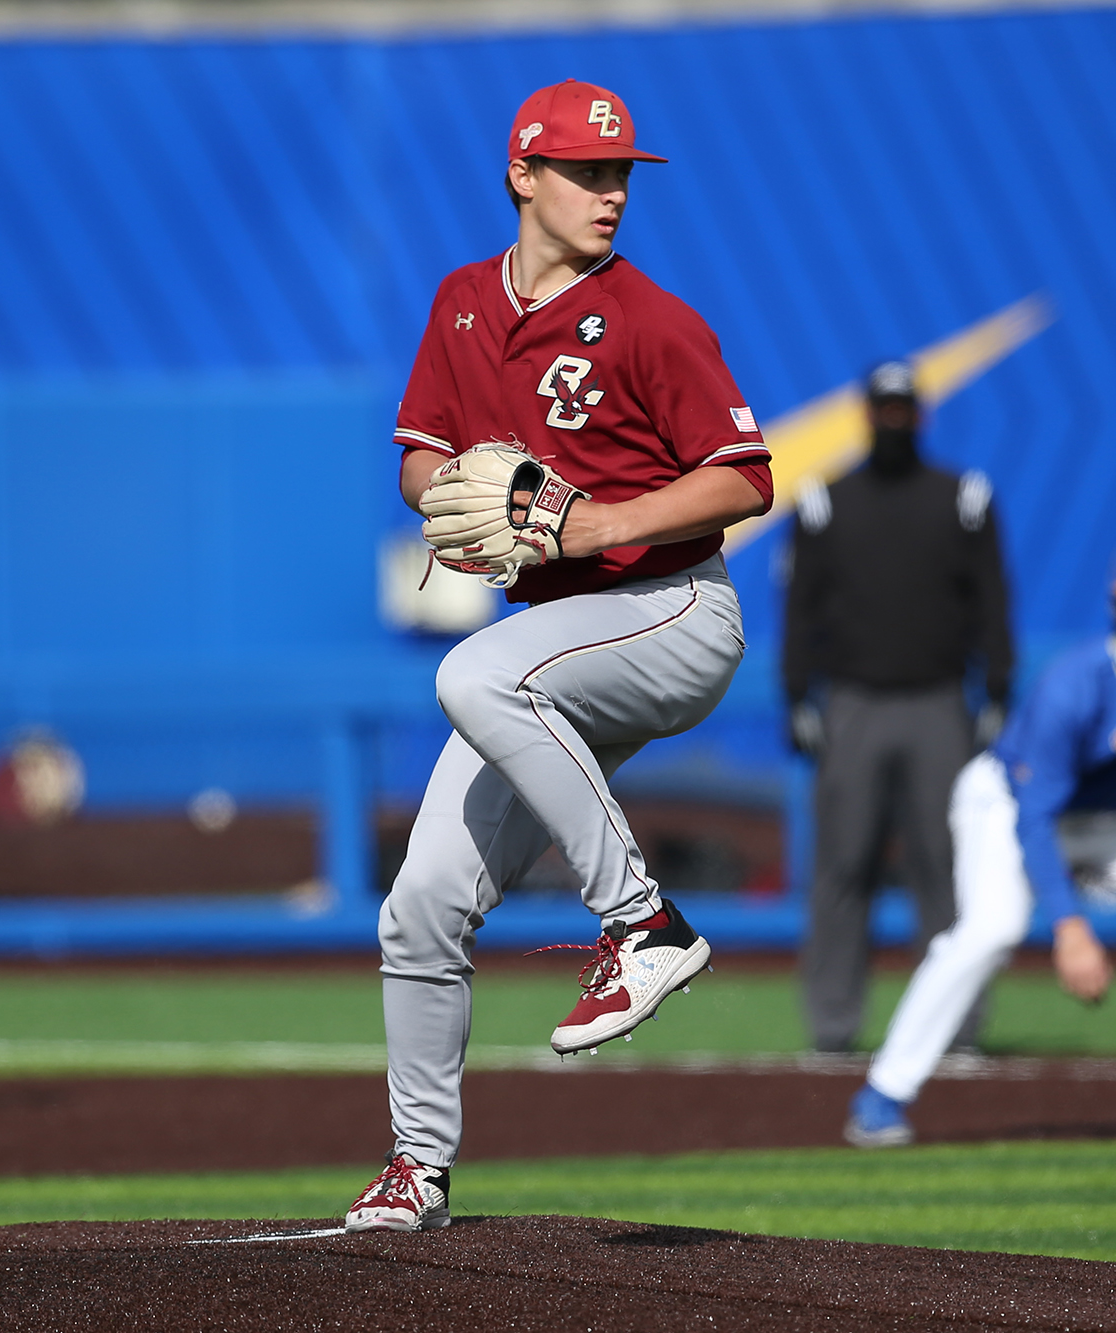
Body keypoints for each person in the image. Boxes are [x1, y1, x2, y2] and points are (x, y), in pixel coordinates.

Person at [343, 78, 773, 1233]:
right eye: (588, 170)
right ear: (521, 176)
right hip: (554, 641)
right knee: (419, 906)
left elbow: (745, 477)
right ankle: (416, 1171)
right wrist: (466, 499)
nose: (611, 191)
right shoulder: (459, 305)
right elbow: (421, 465)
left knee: (473, 673)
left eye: (622, 172)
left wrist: (595, 520)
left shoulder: (650, 319)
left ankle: (642, 924)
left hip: (671, 611)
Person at [844, 534, 1116, 1146]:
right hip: (1009, 804)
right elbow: (1035, 819)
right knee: (991, 930)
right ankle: (884, 1092)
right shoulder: (1074, 685)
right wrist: (1070, 926)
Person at [782, 360, 1014, 1053]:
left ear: (921, 414)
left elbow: (993, 600)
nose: (893, 420)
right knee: (842, 867)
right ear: (865, 413)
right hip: (854, 700)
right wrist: (799, 695)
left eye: (903, 409)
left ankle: (958, 1028)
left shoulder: (962, 498)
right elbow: (802, 607)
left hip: (939, 701)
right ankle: (833, 1028)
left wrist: (997, 690)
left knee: (946, 869)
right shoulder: (826, 500)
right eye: (882, 409)